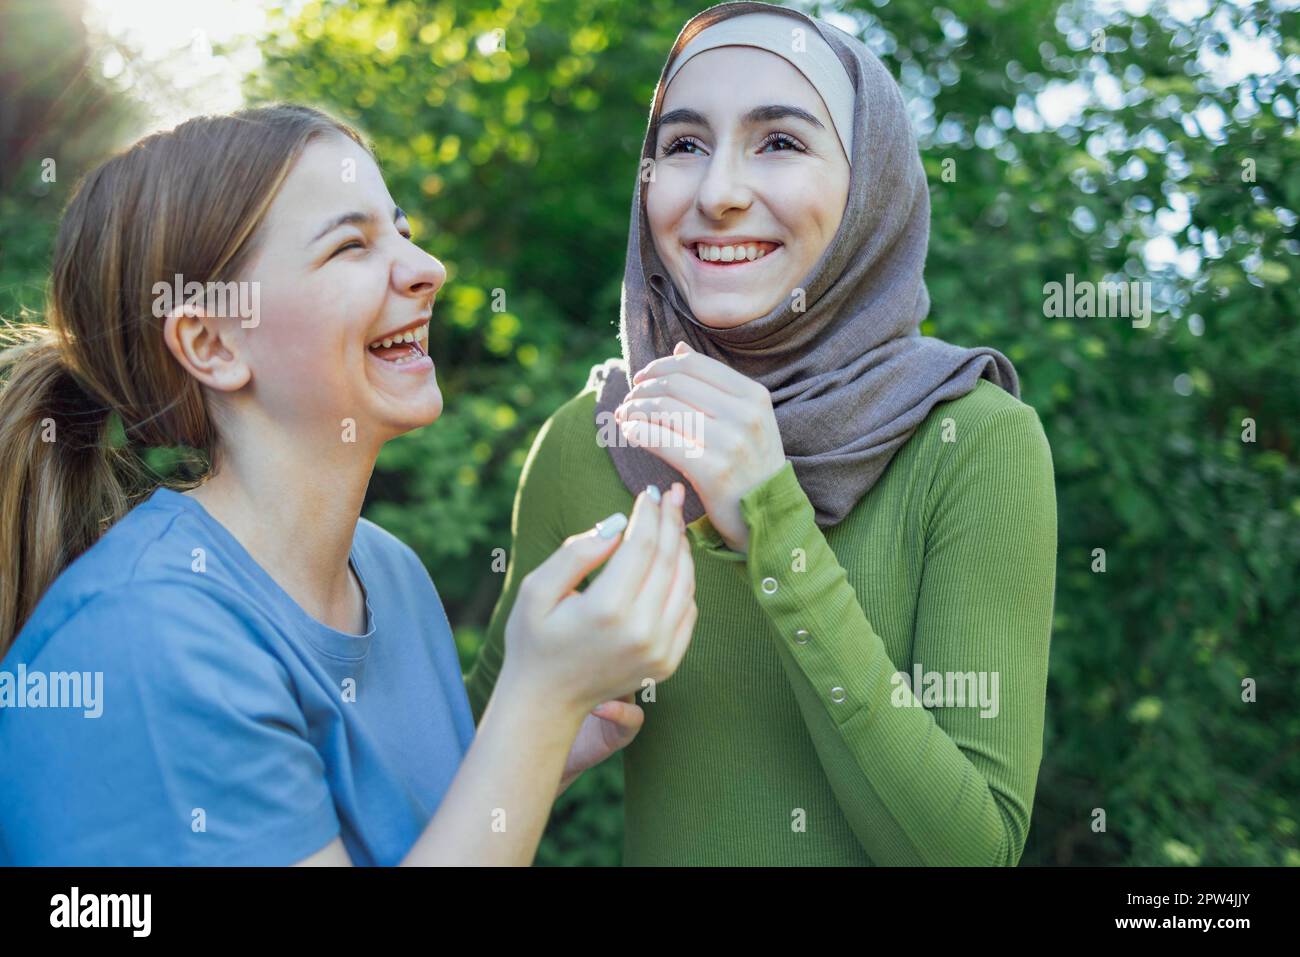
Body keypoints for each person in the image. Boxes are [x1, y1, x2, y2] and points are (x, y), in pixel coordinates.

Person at [0, 104, 698, 866]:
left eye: (398, 228)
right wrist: (537, 704)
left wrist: (544, 743)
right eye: (350, 246)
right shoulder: (146, 640)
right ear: (212, 342)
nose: (426, 266)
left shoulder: (388, 572)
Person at [466, 1, 1058, 865]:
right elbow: (451, 787)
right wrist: (545, 739)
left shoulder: (974, 441)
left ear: (870, 189)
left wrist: (775, 525)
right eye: (683, 145)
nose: (718, 193)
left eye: (779, 141)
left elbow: (973, 852)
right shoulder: (592, 440)